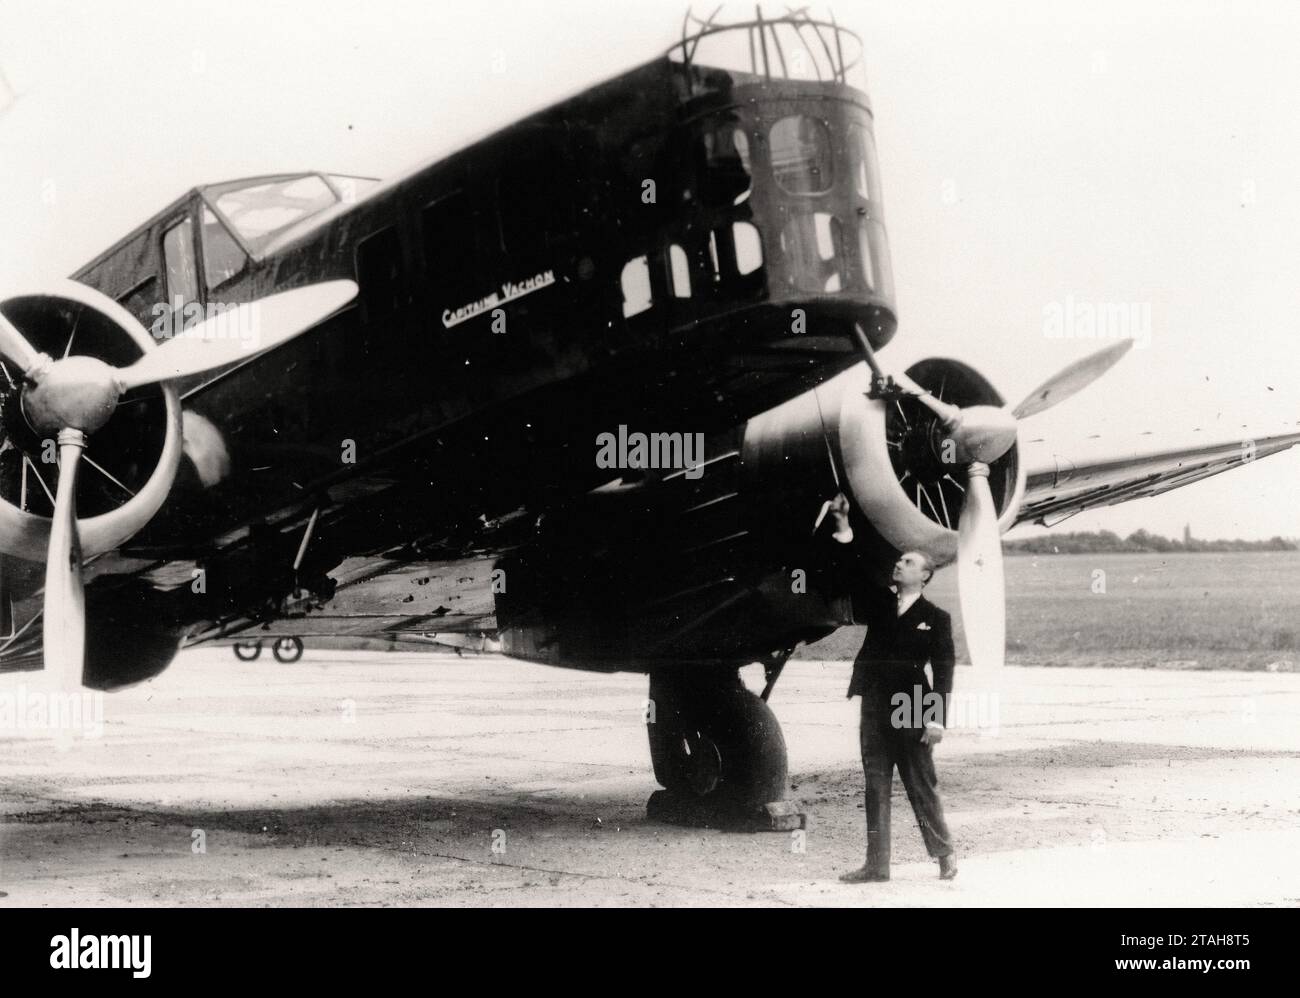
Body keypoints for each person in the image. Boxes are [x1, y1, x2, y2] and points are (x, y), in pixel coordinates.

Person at [816, 492, 958, 882]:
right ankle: (877, 865)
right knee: (875, 787)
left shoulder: (936, 618)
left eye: (908, 562)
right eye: (899, 560)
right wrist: (843, 526)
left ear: (925, 575)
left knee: (920, 785)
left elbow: (944, 672)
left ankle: (944, 853)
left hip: (912, 706)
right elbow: (854, 571)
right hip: (874, 705)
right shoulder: (879, 603)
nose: (899, 563)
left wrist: (937, 720)